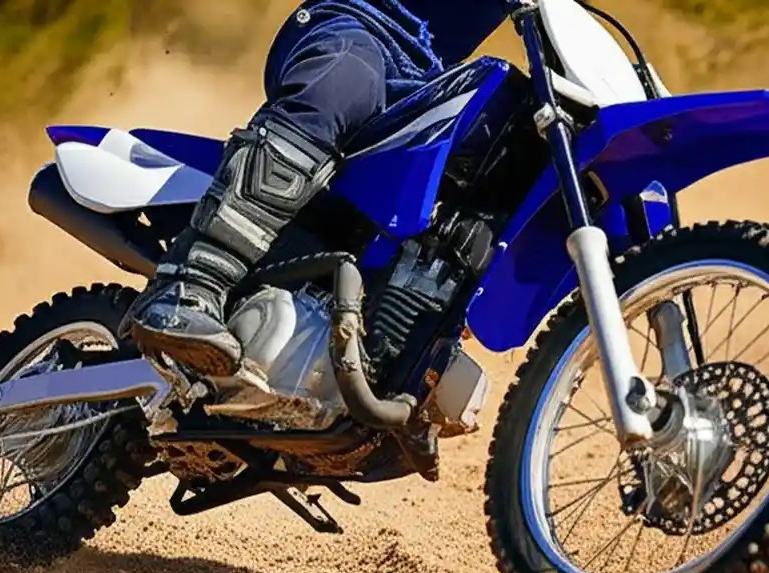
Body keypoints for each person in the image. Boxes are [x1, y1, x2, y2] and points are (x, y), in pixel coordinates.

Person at [127, 0, 511, 377]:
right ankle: (189, 284)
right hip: (359, 28)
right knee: (349, 76)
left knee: (504, 148)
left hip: (435, 84)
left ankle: (387, 365)